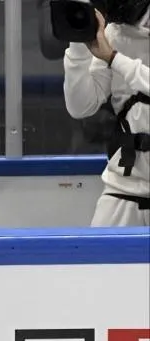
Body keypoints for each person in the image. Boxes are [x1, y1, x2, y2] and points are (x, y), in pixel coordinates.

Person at [63, 0, 149, 227]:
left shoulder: (114, 50)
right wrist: (80, 42)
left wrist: (114, 59)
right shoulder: (116, 32)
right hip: (124, 185)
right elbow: (81, 105)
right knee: (95, 260)